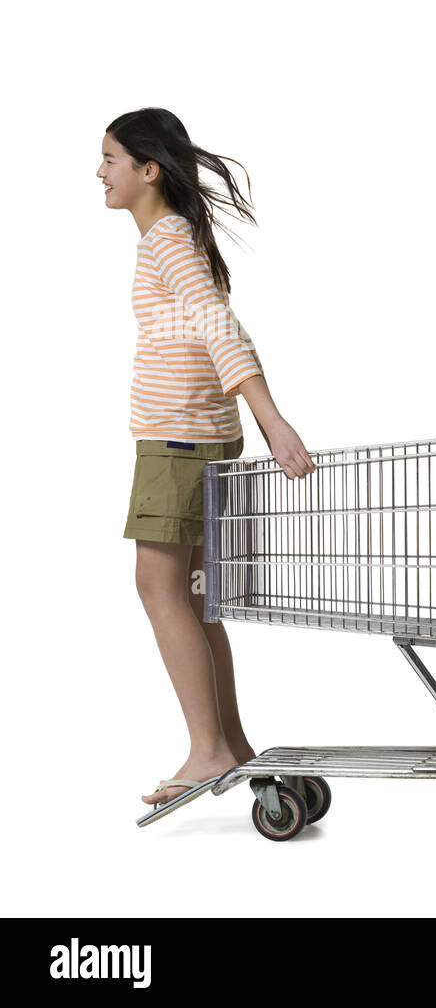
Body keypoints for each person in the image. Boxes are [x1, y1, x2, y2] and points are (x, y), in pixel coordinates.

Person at [99, 107, 317, 819]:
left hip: (179, 441)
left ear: (147, 170)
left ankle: (207, 747)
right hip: (200, 436)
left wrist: (273, 417)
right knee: (194, 600)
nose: (99, 172)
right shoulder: (176, 238)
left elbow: (223, 329)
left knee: (159, 589)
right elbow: (220, 321)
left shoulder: (166, 240)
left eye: (110, 159)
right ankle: (232, 744)